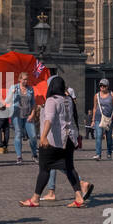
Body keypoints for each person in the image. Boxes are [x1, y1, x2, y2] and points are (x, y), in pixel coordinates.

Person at [19, 76, 94, 209]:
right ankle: (78, 197)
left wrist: (43, 137)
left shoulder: (51, 100)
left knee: (44, 168)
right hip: (70, 139)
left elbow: (50, 119)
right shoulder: (69, 99)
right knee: (69, 168)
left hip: (54, 141)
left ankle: (35, 199)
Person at [91, 80, 113, 160]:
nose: (102, 87)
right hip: (98, 118)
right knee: (99, 135)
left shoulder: (112, 94)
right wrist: (93, 120)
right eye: (101, 86)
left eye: (104, 86)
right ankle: (98, 154)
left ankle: (109, 152)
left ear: (107, 86)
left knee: (108, 136)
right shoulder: (96, 95)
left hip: (109, 118)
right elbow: (95, 107)